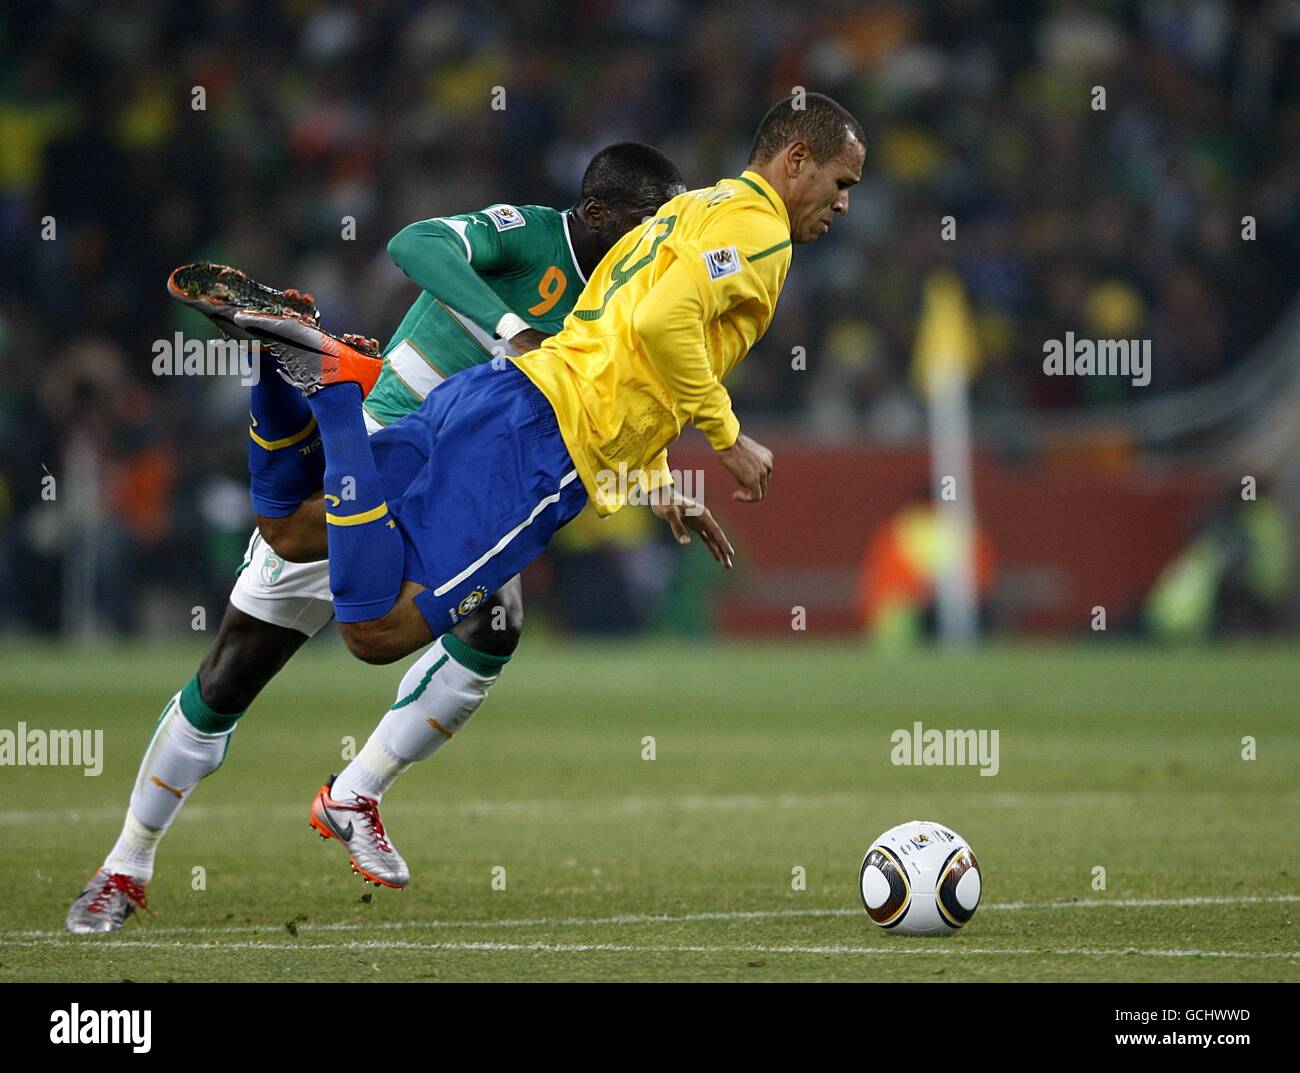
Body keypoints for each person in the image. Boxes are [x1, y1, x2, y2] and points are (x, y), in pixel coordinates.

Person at [232, 93, 865, 891]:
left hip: (510, 388)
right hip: (547, 449)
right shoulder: (761, 233)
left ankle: (275, 370)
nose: (844, 205)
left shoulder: (698, 207)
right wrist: (727, 434)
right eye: (841, 183)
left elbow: (620, 322)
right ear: (795, 161)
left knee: (294, 527)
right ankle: (332, 386)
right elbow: (667, 321)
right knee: (380, 630)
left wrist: (658, 476)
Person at [66, 144, 688, 933]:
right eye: (651, 222)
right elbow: (414, 244)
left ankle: (355, 792)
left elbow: (622, 396)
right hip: (382, 442)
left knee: (492, 627)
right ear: (598, 214)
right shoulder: (532, 236)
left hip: (460, 490)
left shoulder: (622, 292)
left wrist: (660, 479)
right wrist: (512, 328)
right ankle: (125, 865)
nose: (661, 241)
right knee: (228, 677)